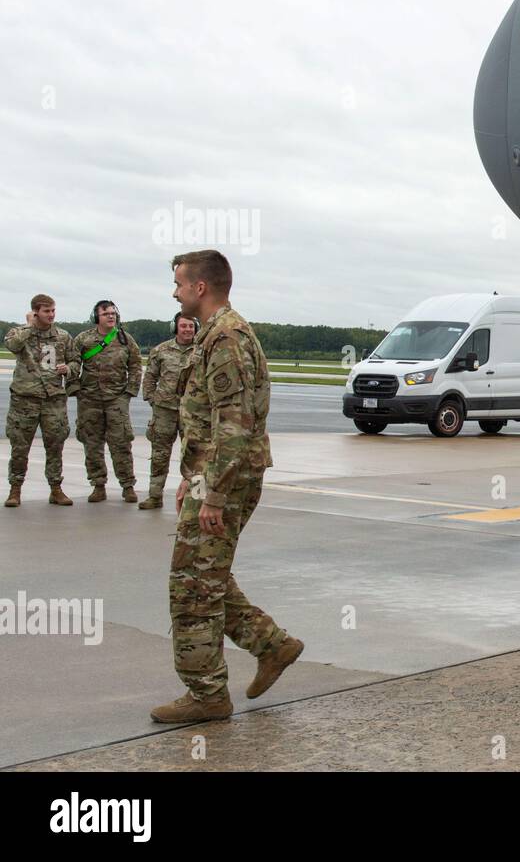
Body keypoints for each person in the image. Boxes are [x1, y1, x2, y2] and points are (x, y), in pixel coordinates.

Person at [151, 249, 303, 724]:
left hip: (227, 481)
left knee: (191, 588)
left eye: (179, 283)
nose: (174, 292)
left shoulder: (227, 339)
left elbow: (233, 426)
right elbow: (211, 424)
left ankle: (207, 695)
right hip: (215, 476)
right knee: (204, 578)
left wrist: (213, 493)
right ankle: (273, 645)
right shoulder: (215, 335)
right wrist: (192, 480)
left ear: (200, 287)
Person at [5, 295, 78, 507]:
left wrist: (69, 369)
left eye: (53, 310)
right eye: (47, 311)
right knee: (20, 446)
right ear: (35, 312)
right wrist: (29, 326)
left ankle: (56, 488)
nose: (52, 315)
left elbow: (75, 359)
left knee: (55, 445)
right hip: (25, 400)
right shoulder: (20, 333)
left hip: (53, 399)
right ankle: (15, 489)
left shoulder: (62, 336)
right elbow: (13, 345)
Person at [73, 301, 142, 502]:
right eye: (106, 314)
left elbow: (136, 365)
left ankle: (127, 485)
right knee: (92, 444)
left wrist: (129, 392)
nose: (110, 317)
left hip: (116, 399)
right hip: (90, 399)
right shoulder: (83, 339)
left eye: (113, 313)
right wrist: (75, 389)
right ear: (96, 317)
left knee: (121, 443)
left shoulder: (124, 339)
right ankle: (98, 485)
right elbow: (73, 362)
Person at [138, 313, 197, 510]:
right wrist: (151, 398)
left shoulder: (203, 350)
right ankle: (155, 496)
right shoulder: (161, 350)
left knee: (196, 456)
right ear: (175, 328)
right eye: (184, 326)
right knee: (159, 455)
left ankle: (196, 499)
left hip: (193, 411)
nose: (188, 329)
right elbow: (150, 377)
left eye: (191, 326)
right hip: (164, 410)